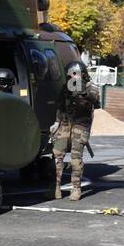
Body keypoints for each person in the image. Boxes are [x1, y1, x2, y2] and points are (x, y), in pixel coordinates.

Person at [52, 60, 101, 200]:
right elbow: (60, 107)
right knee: (57, 154)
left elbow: (96, 103)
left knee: (75, 157)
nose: (73, 77)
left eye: (76, 74)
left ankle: (76, 188)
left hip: (81, 124)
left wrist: (83, 91)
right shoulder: (65, 88)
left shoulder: (91, 87)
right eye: (70, 74)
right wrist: (56, 122)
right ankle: (56, 188)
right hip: (65, 123)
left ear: (83, 74)